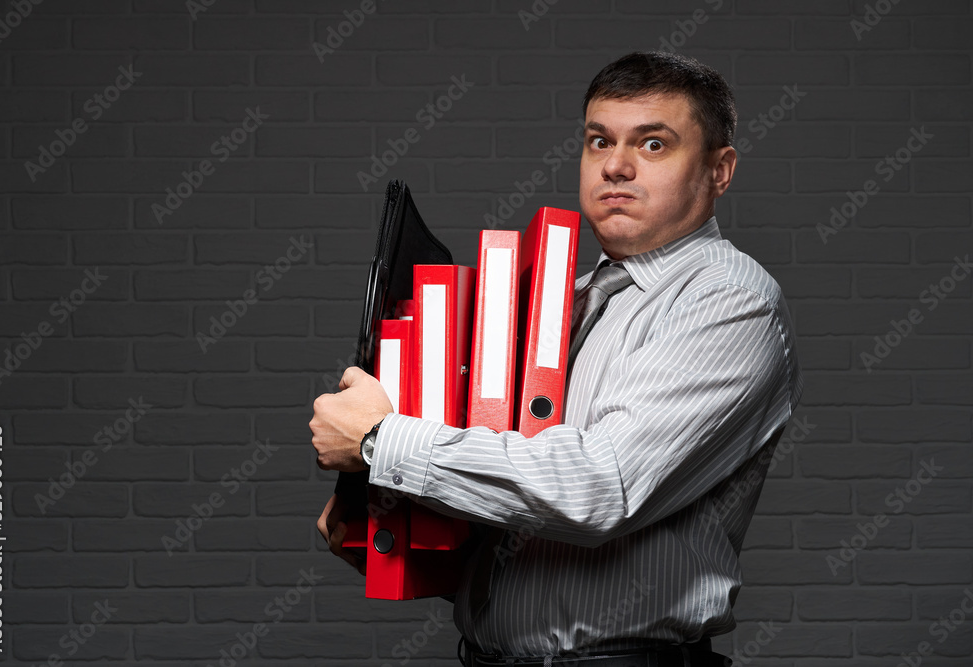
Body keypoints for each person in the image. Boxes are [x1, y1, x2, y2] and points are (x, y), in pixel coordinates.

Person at [311, 51, 803, 667]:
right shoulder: (560, 303)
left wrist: (381, 442)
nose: (616, 166)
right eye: (599, 141)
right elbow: (520, 504)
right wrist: (382, 515)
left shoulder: (729, 299)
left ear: (719, 169)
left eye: (653, 145)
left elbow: (602, 486)